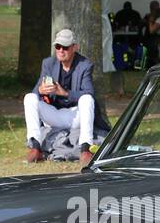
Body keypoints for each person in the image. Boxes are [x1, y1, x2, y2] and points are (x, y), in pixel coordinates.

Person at [23, 28, 107, 166]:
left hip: (75, 116)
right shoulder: (48, 63)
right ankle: (35, 146)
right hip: (54, 115)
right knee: (29, 98)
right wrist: (40, 90)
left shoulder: (84, 65)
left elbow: (89, 92)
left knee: (87, 99)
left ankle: (85, 148)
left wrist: (65, 93)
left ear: (74, 47)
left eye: (65, 47)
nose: (61, 50)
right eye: (58, 46)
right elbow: (35, 92)